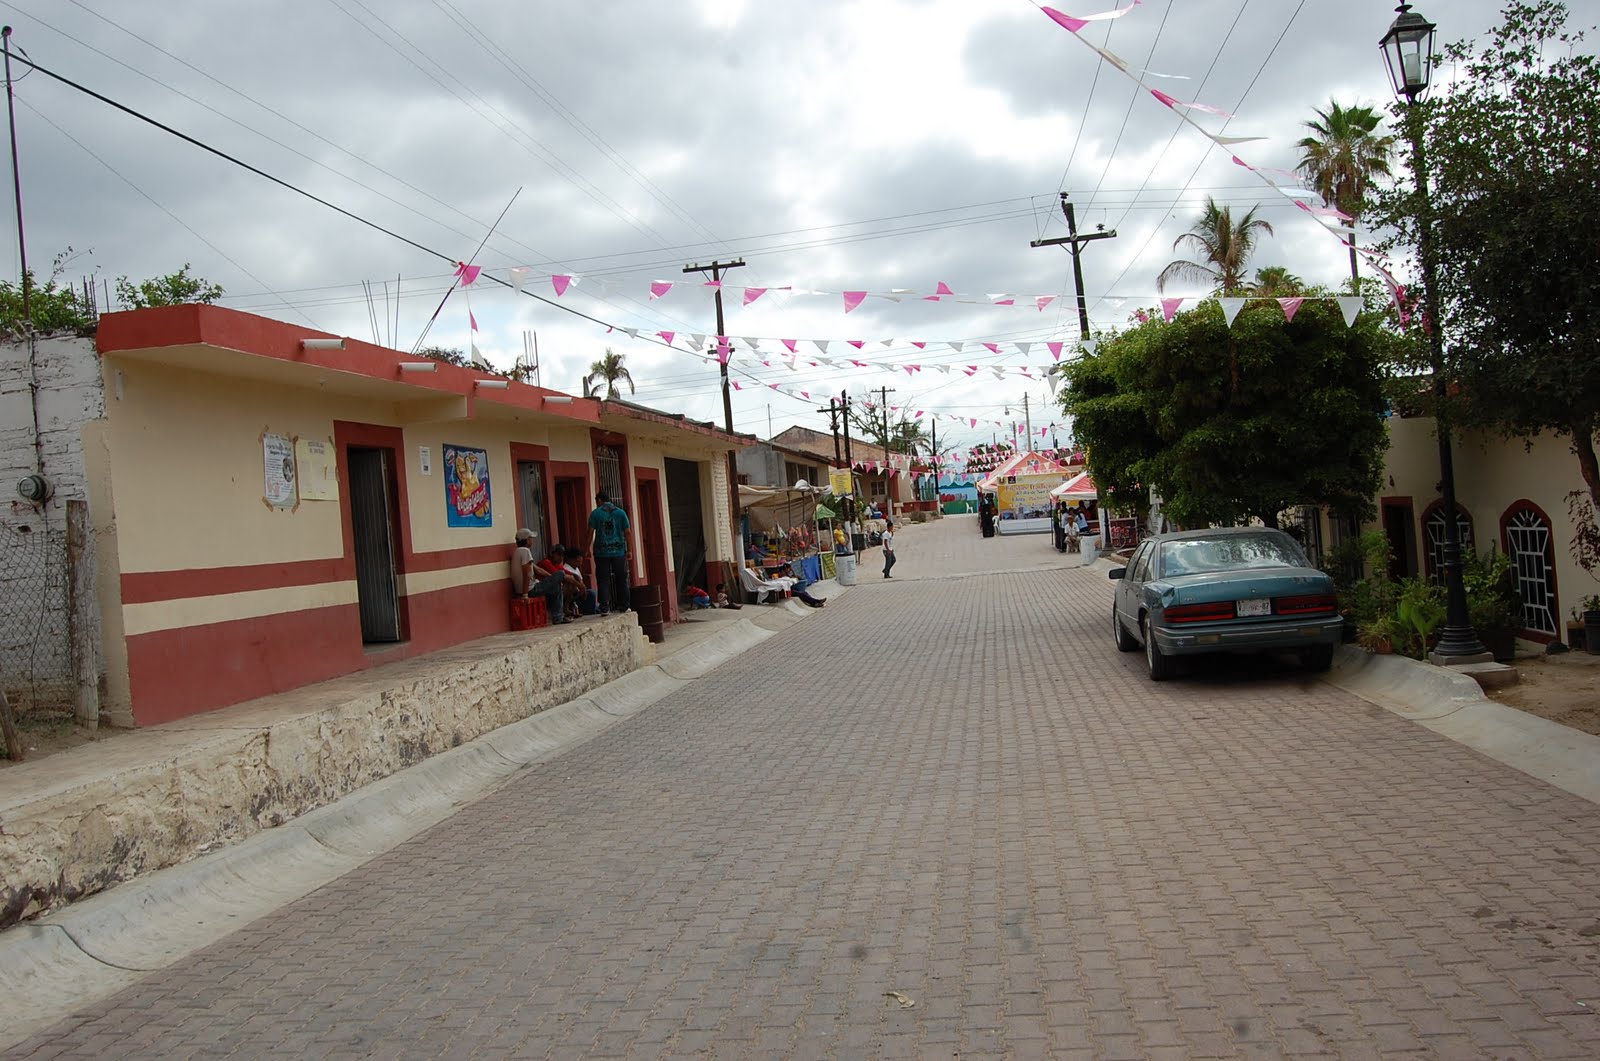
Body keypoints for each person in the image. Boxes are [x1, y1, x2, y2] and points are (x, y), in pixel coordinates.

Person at [588, 490, 631, 615]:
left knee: (603, 579)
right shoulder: (620, 513)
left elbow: (590, 533)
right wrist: (630, 550)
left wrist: (587, 550)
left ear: (599, 500)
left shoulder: (595, 514)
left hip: (601, 553)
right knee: (621, 578)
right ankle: (624, 606)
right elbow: (627, 532)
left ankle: (605, 607)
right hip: (618, 552)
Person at [513, 532, 568, 625]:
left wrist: (552, 579)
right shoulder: (525, 551)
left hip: (525, 589)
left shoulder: (518, 551)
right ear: (526, 540)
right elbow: (526, 573)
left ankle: (557, 616)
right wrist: (525, 594)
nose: (532, 541)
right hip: (530, 589)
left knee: (556, 586)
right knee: (561, 574)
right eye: (530, 539)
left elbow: (538, 570)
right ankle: (557, 617)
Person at [560, 547, 600, 616]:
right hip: (573, 595)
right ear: (571, 560)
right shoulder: (566, 568)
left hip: (580, 592)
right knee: (591, 594)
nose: (580, 562)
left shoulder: (576, 568)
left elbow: (581, 583)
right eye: (577, 560)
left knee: (592, 595)